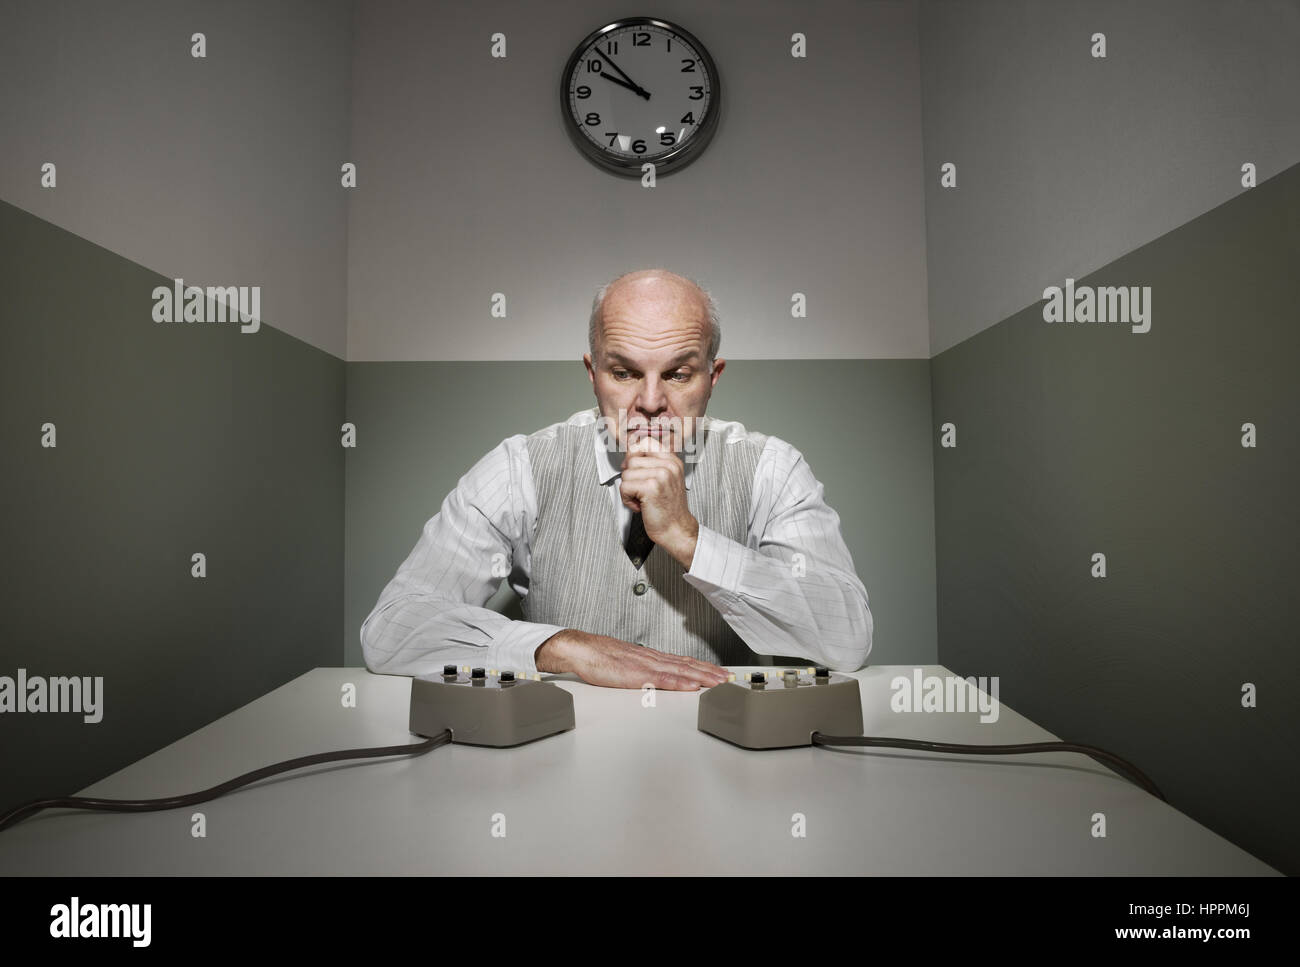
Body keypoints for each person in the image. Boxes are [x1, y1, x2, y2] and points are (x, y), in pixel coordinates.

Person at [361, 269, 872, 690]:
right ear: (592, 372)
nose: (650, 403)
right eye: (624, 372)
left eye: (677, 373)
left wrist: (687, 538)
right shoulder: (520, 469)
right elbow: (392, 628)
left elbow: (847, 637)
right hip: (556, 755)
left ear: (712, 378)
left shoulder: (772, 470)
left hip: (725, 751)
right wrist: (561, 646)